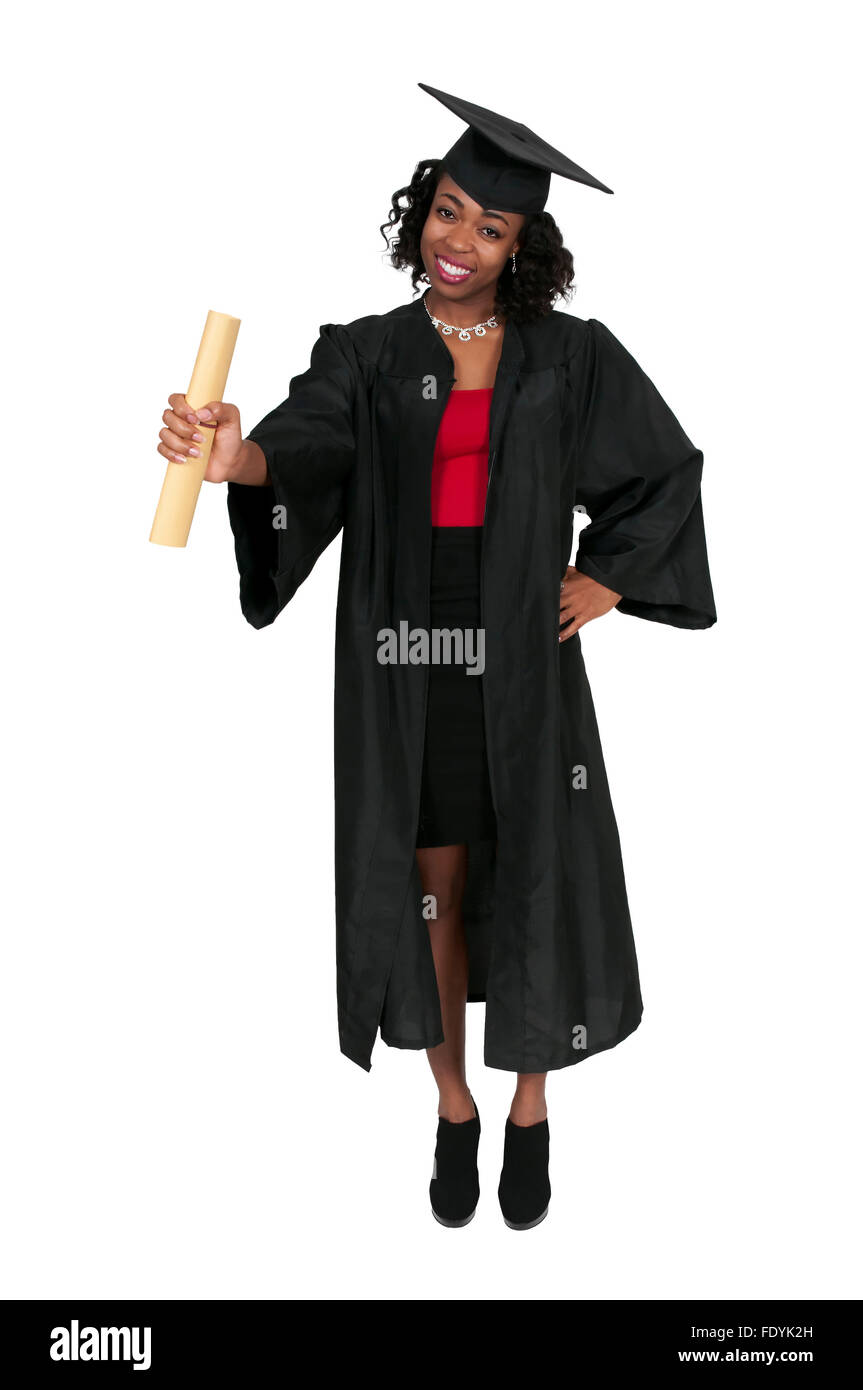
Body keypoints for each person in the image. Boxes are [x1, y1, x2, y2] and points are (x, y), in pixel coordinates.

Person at [155, 84, 716, 1231]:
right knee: (432, 888)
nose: (459, 242)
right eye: (447, 212)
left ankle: (527, 1108)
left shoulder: (571, 356)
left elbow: (662, 470)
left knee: (533, 872)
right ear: (421, 211)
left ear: (523, 247)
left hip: (523, 651)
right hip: (403, 656)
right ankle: (452, 1103)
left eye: (489, 227)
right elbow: (298, 446)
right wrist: (234, 457)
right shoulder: (365, 354)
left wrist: (606, 576)